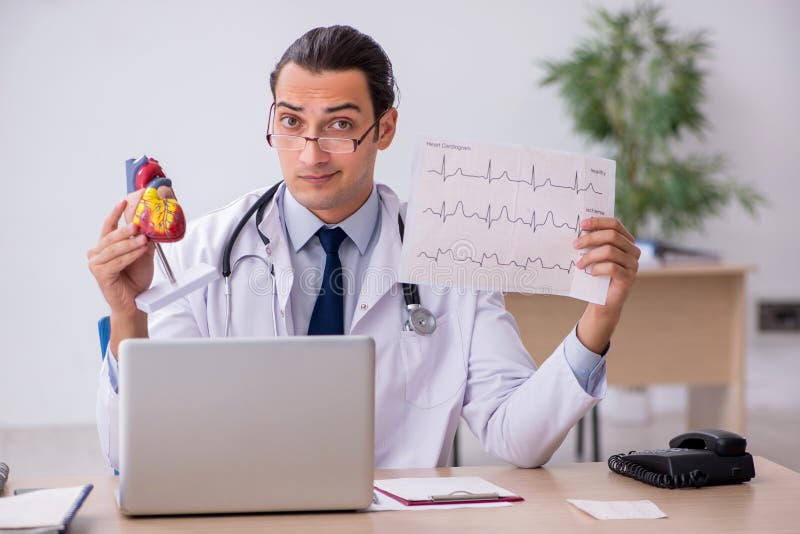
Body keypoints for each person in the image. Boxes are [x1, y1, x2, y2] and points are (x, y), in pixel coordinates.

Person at [88, 25, 640, 470]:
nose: (311, 154)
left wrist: (599, 317)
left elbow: (516, 438)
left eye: (340, 126)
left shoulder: (452, 255)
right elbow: (133, 454)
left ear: (385, 128)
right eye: (290, 123)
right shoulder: (201, 253)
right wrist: (125, 315)